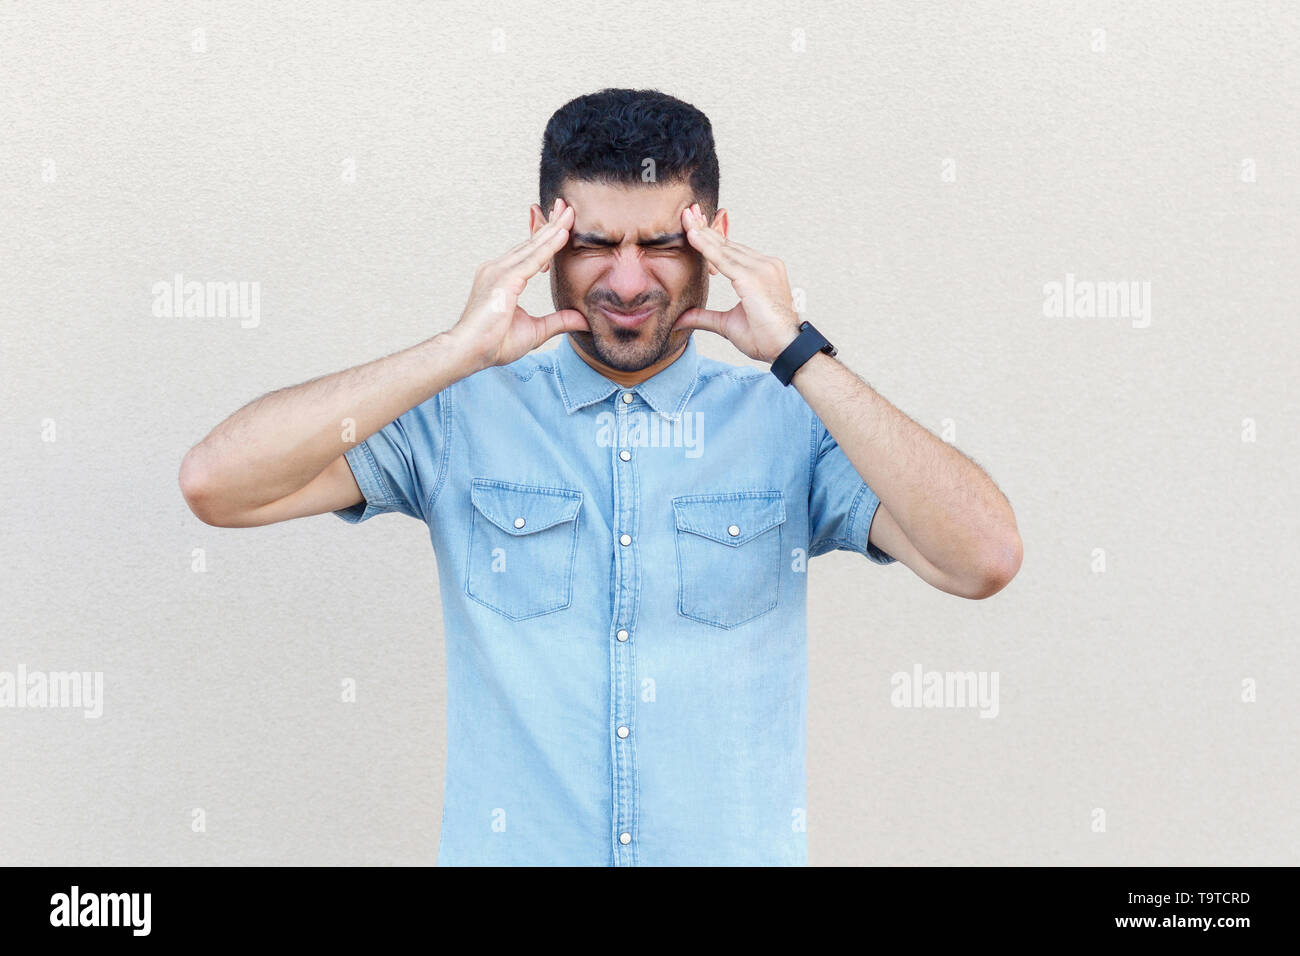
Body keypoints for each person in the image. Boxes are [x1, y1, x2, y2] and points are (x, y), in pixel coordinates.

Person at [179, 88, 1022, 866]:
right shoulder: (457, 417)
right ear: (543, 232)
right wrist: (454, 351)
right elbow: (217, 482)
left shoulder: (793, 425)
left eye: (660, 243)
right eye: (591, 243)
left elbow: (983, 556)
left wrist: (801, 352)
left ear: (715, 238)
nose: (625, 280)